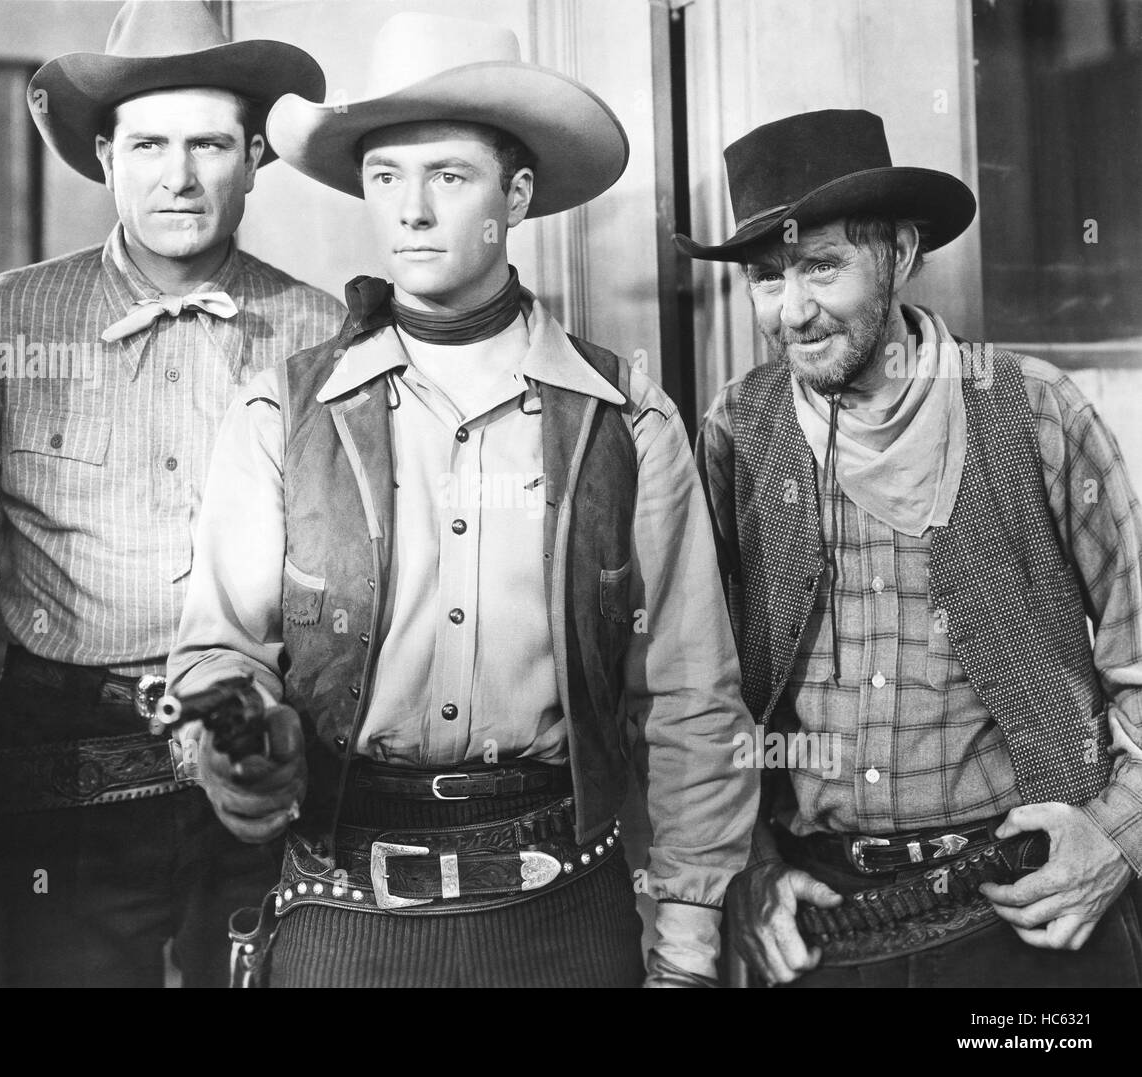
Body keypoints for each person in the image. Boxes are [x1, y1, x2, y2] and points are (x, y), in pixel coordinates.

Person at [166, 11, 757, 988]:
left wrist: (687, 947)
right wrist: (229, 733)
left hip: (564, 916)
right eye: (387, 177)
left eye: (448, 176)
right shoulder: (278, 413)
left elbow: (692, 697)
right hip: (341, 915)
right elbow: (220, 647)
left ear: (516, 193)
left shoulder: (630, 422)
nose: (412, 210)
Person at [680, 108, 1142, 987]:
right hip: (827, 929)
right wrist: (747, 868)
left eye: (821, 266)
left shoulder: (1032, 409)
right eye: (769, 276)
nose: (795, 309)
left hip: (1035, 917)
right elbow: (693, 697)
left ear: (899, 251)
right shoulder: (739, 431)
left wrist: (1119, 835)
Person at [0, 1, 343, 987]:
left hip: (267, 753)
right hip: (65, 771)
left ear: (255, 155)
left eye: (209, 144)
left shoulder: (321, 330)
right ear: (105, 153)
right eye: (149, 144)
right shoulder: (7, 318)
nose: (177, 176)